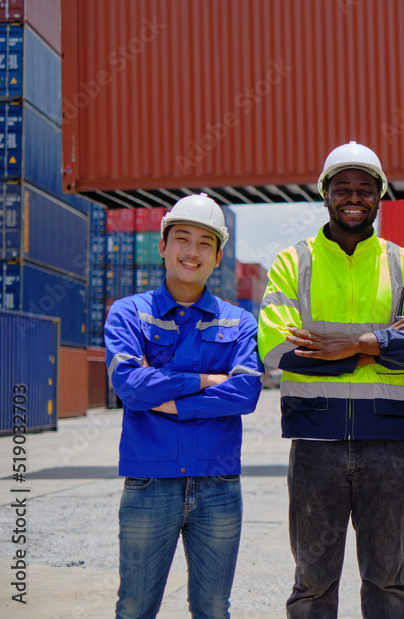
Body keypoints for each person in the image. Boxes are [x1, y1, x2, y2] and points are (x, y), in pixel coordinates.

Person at [257, 141, 404, 618]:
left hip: (388, 445)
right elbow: (277, 349)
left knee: (388, 581)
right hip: (315, 444)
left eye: (365, 189)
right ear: (325, 193)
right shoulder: (293, 263)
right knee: (312, 584)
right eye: (343, 188)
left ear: (379, 195)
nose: (354, 197)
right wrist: (391, 341)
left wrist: (357, 344)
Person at [104, 193, 263, 619]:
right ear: (163, 245)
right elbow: (130, 387)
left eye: (205, 243)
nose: (192, 251)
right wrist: (206, 380)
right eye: (182, 239)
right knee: (135, 608)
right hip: (149, 482)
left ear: (218, 257)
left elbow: (245, 393)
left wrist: (168, 401)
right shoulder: (129, 313)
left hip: (218, 485)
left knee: (212, 609)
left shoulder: (239, 321)